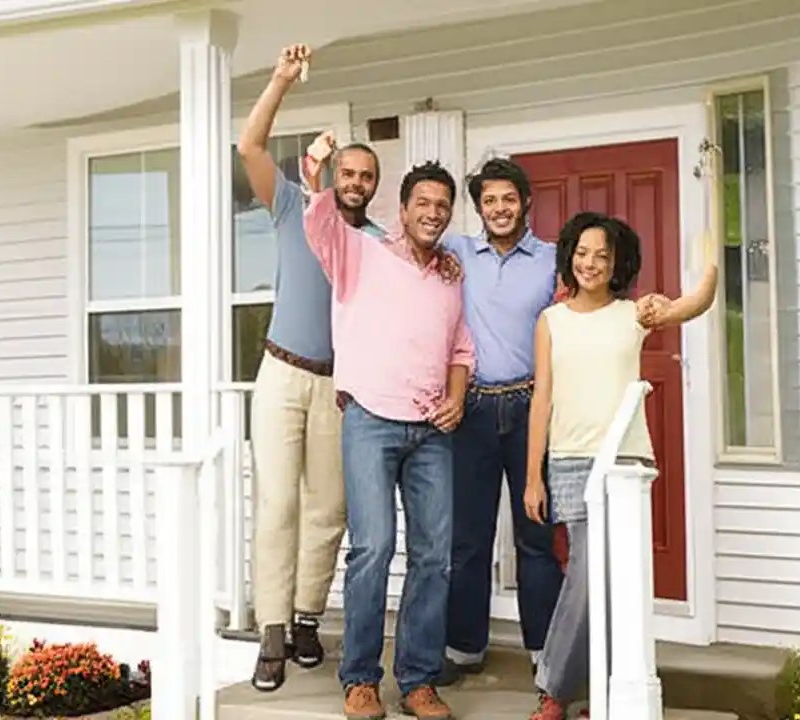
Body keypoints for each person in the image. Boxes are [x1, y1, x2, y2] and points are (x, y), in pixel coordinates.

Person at [522, 212, 717, 720]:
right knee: (588, 574)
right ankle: (556, 689)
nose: (590, 263)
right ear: (569, 257)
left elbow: (696, 303)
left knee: (617, 581)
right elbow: (541, 399)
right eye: (582, 253)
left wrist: (712, 256)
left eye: (602, 255)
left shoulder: (637, 313)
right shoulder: (551, 321)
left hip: (625, 464)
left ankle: (599, 694)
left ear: (617, 264)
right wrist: (531, 477)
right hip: (568, 462)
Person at [236, 42, 386, 693]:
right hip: (280, 373)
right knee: (277, 504)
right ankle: (270, 631)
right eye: (347, 173)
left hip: (338, 385)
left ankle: (304, 618)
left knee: (331, 507)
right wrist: (280, 81)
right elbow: (249, 147)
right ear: (332, 173)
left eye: (366, 178)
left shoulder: (376, 243)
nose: (354, 183)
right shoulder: (294, 206)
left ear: (372, 187)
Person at [302, 156, 474, 720]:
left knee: (433, 556)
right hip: (370, 421)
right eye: (422, 203)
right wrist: (318, 177)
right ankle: (360, 679)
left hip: (431, 431)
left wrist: (455, 397)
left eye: (442, 206)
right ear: (401, 211)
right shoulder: (360, 253)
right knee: (372, 549)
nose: (432, 213)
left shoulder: (449, 276)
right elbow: (320, 225)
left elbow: (460, 348)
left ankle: (419, 680)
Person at [437, 158, 563, 684]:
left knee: (535, 537)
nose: (499, 209)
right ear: (478, 207)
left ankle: (545, 651)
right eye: (489, 200)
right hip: (474, 410)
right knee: (468, 538)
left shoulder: (553, 259)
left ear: (525, 201)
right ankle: (465, 647)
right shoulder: (457, 252)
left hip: (532, 408)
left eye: (508, 198)